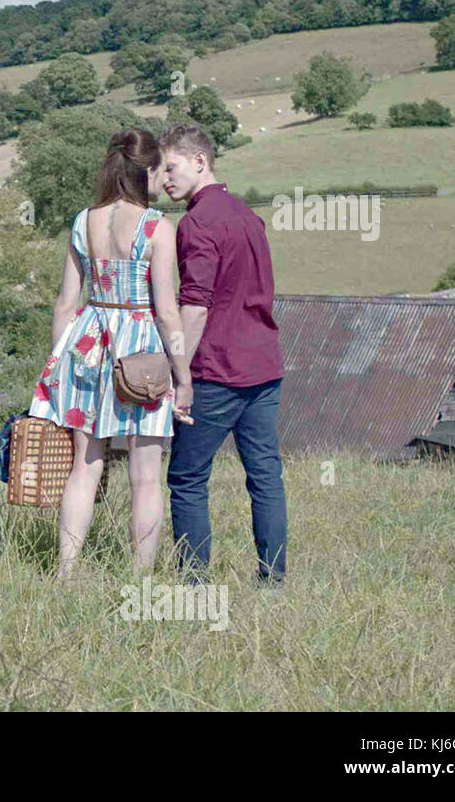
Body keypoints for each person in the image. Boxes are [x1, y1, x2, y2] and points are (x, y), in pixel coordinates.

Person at [28, 128, 193, 580]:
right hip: (140, 355)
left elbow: (65, 305)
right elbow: (166, 312)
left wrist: (58, 366)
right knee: (144, 476)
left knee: (85, 468)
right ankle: (139, 578)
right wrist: (184, 378)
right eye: (160, 171)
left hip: (87, 346)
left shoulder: (83, 221)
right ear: (147, 173)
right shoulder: (159, 227)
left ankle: (65, 572)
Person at [156, 122, 288, 587]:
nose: (164, 179)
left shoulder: (196, 223)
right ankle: (273, 582)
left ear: (199, 161)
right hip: (264, 365)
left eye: (170, 167)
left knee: (188, 479)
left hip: (214, 370)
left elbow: (195, 305)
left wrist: (181, 376)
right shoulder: (248, 216)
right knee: (265, 477)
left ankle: (193, 585)